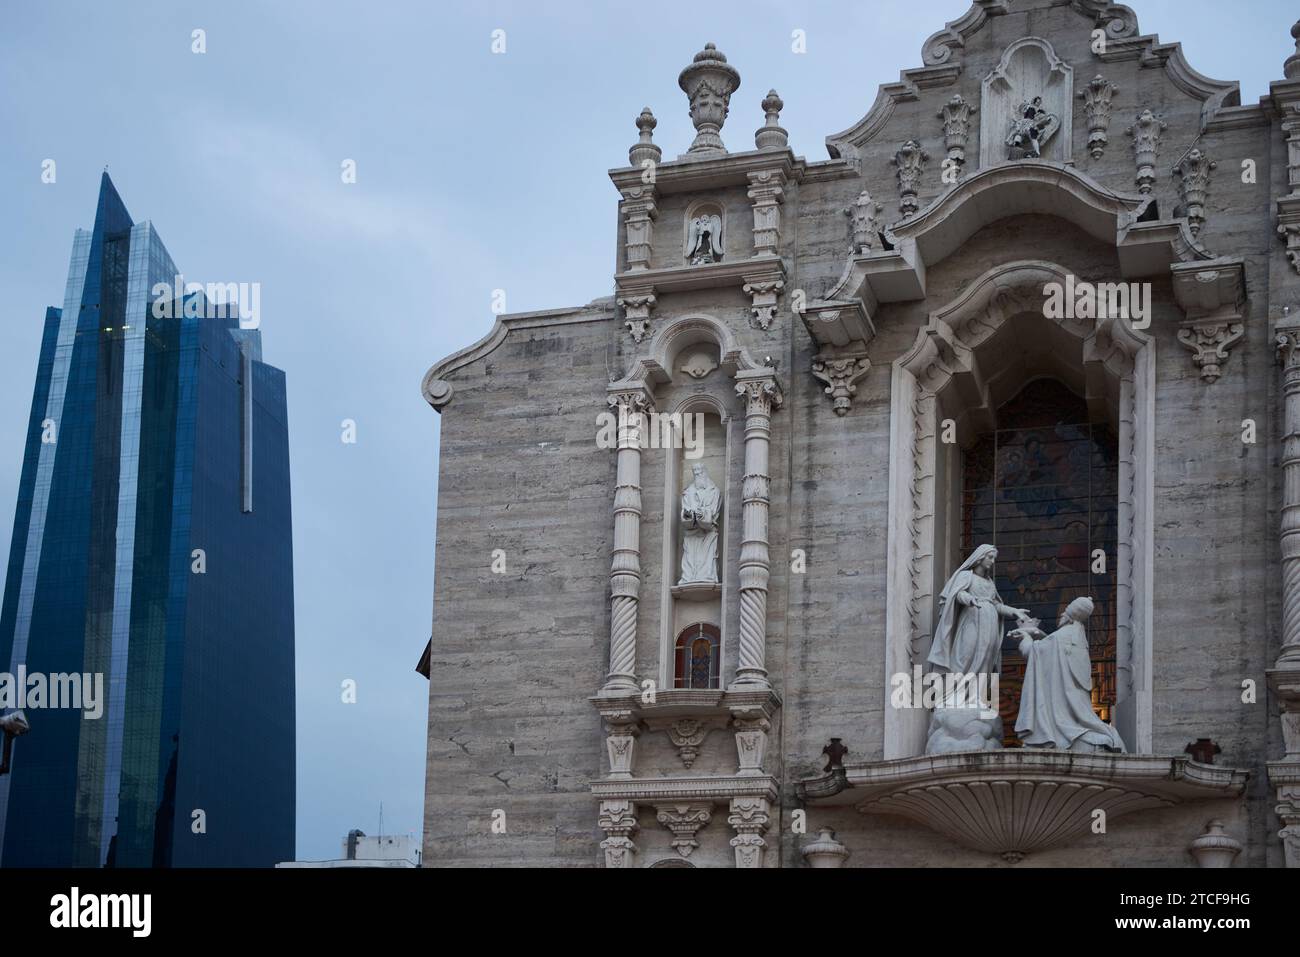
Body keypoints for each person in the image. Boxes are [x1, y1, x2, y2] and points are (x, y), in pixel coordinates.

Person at [1013, 597, 1126, 752]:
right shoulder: (1077, 639)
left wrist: (1025, 636)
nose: (1061, 615)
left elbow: (1032, 652)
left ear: (1069, 616)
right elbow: (1052, 647)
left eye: (1064, 612)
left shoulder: (1059, 638)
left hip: (1061, 719)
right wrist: (1038, 634)